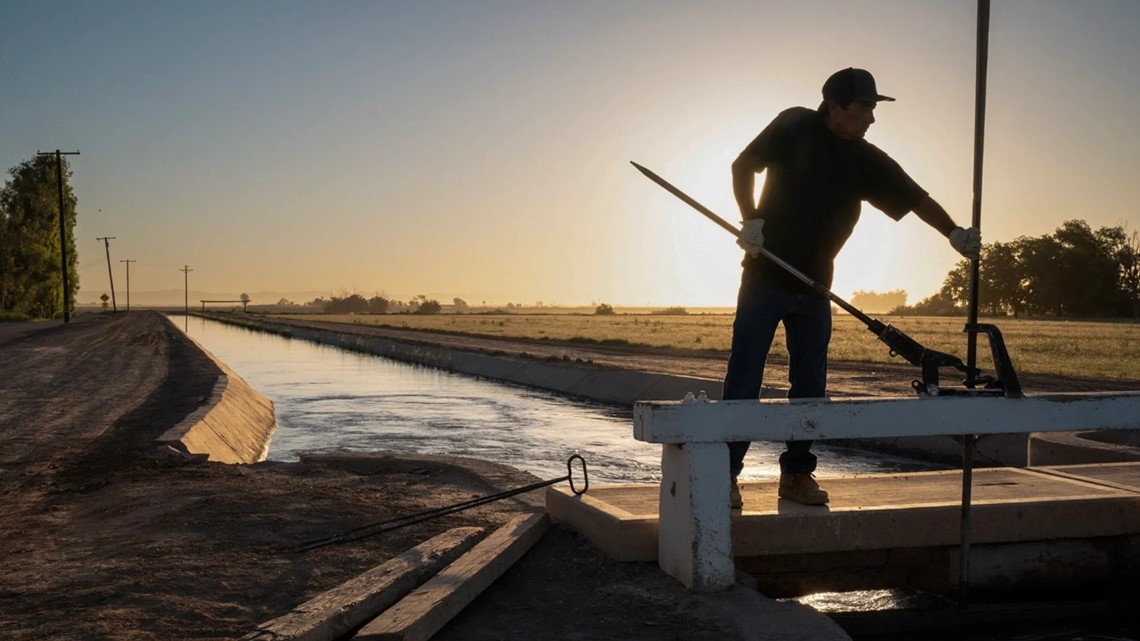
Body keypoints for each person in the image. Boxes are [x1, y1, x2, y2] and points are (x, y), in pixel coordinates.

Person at [726, 67, 980, 507]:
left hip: (816, 288)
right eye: (865, 108)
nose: (872, 119)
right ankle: (725, 473)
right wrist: (750, 218)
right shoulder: (795, 124)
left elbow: (916, 198)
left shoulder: (866, 159)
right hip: (765, 276)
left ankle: (797, 476)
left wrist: (954, 233)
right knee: (745, 377)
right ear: (835, 107)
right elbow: (744, 164)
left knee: (810, 386)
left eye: (873, 109)